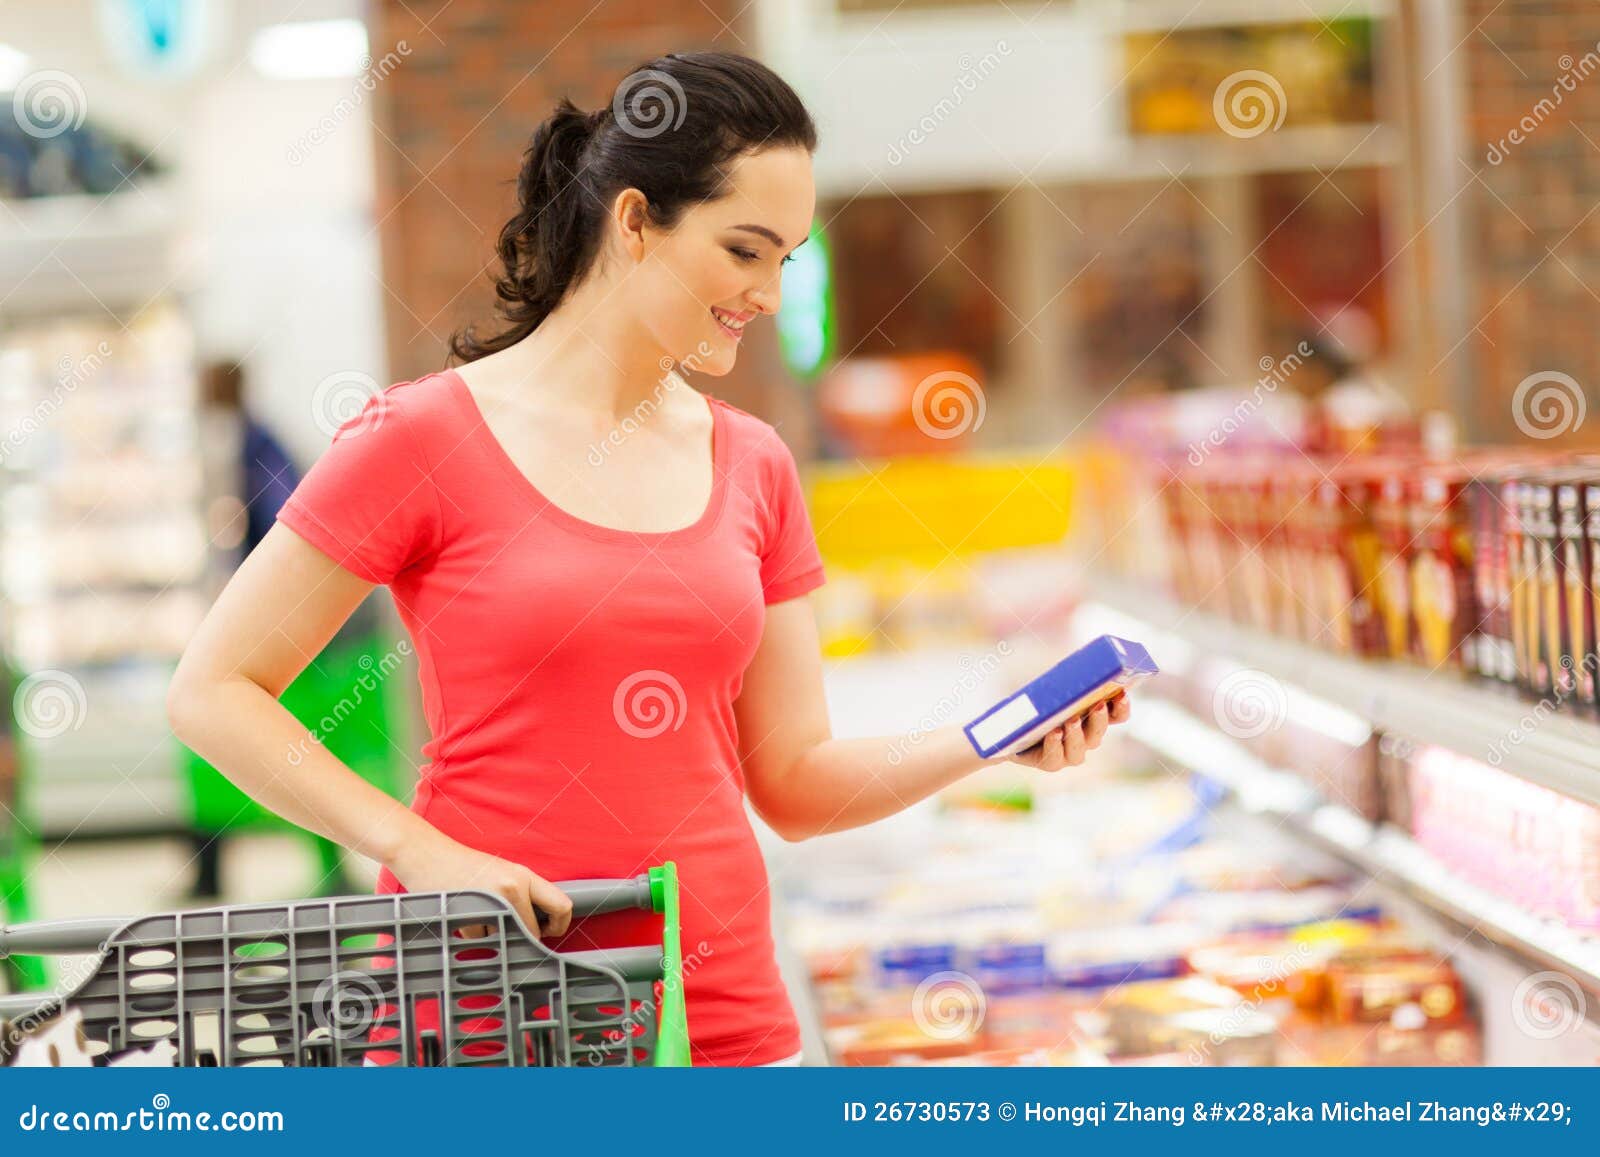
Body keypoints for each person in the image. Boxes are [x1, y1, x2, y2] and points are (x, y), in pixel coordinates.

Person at [165, 50, 1132, 1068]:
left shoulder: (753, 461)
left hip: (716, 1004)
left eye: (786, 260)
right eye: (743, 250)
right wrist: (415, 846)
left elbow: (794, 780)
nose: (765, 291)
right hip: (488, 997)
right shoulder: (419, 438)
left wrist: (992, 735)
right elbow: (215, 688)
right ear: (634, 222)